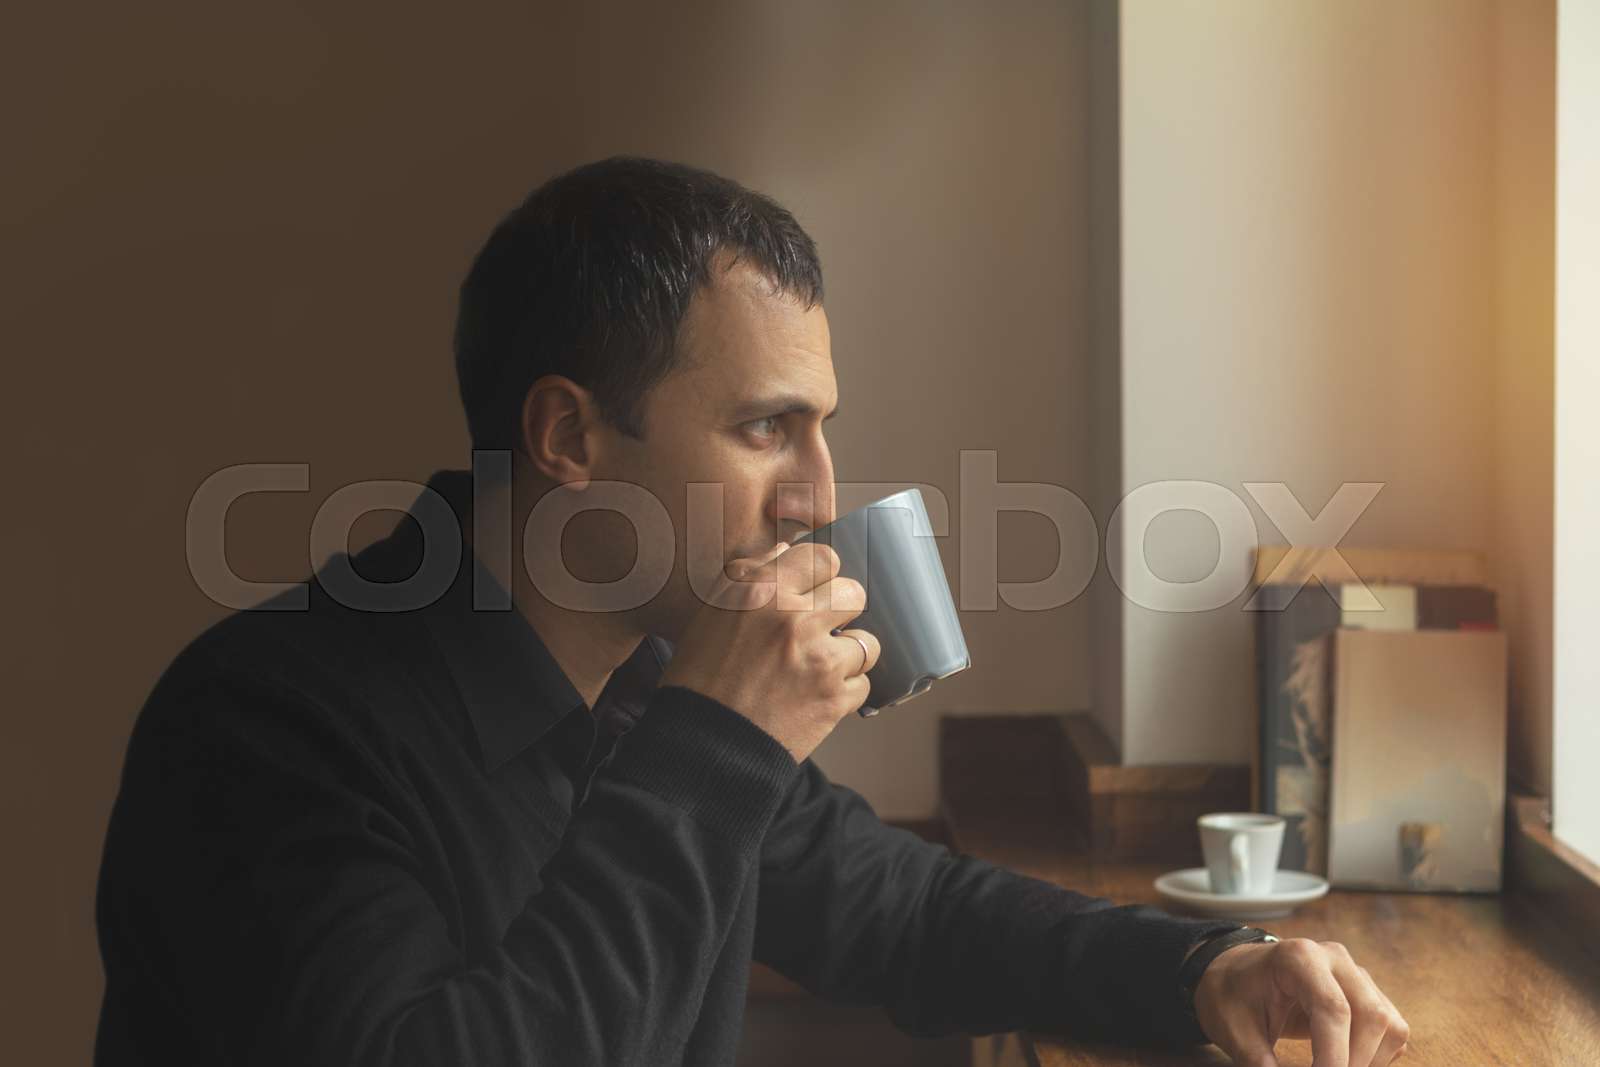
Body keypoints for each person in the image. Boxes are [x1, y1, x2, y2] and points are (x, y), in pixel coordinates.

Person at [94, 156, 1410, 1067]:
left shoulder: (637, 681)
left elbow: (904, 911)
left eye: (821, 427)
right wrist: (717, 745)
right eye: (765, 429)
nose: (818, 496)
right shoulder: (263, 726)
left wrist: (1198, 972)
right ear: (568, 435)